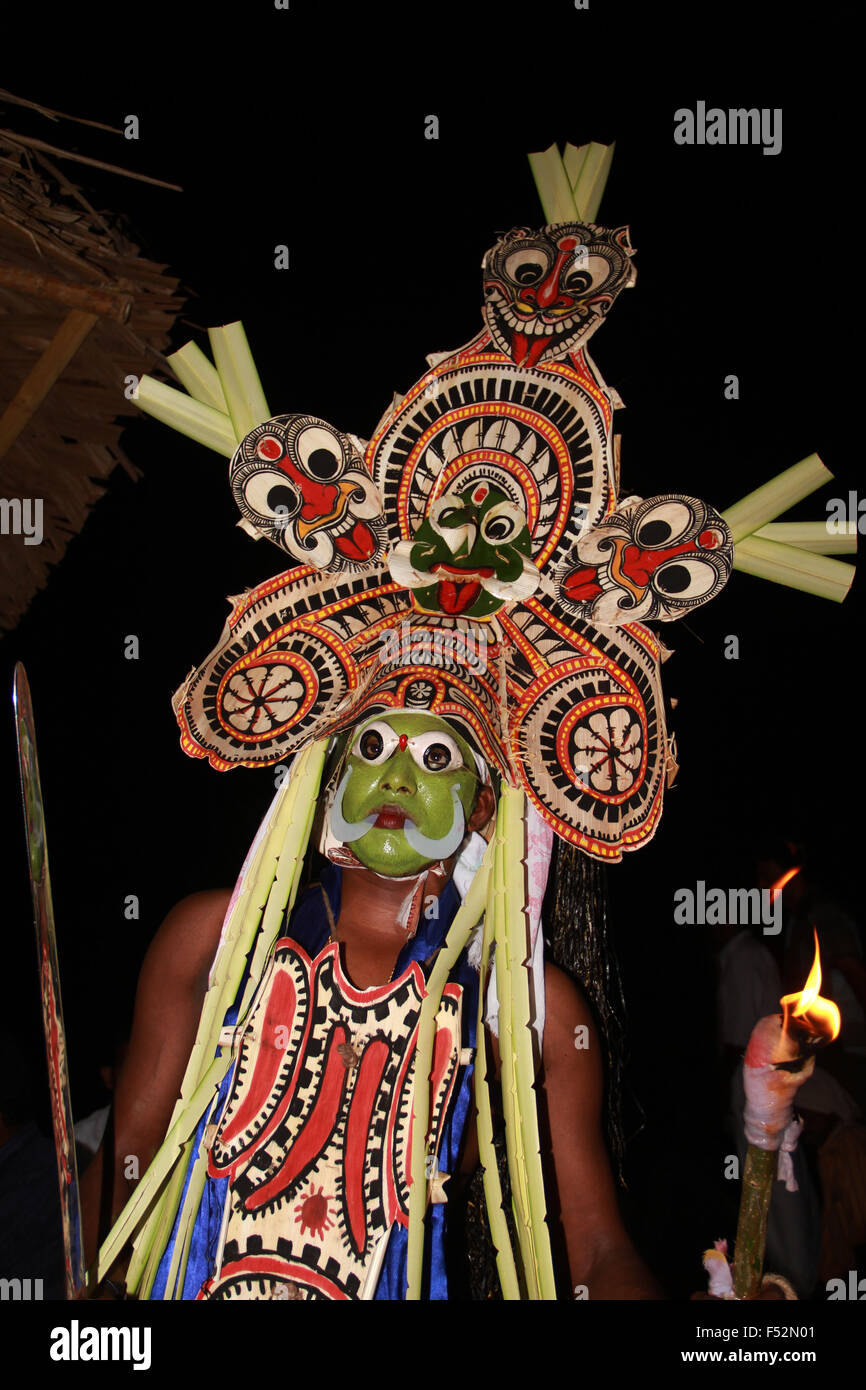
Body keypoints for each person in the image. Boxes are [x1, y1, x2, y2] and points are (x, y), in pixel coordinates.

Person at [81, 711, 661, 1300]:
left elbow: (595, 1254)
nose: (396, 780)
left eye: (436, 759)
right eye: (373, 747)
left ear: (483, 806)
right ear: (333, 778)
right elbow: (126, 1161)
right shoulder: (216, 942)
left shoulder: (524, 1008)